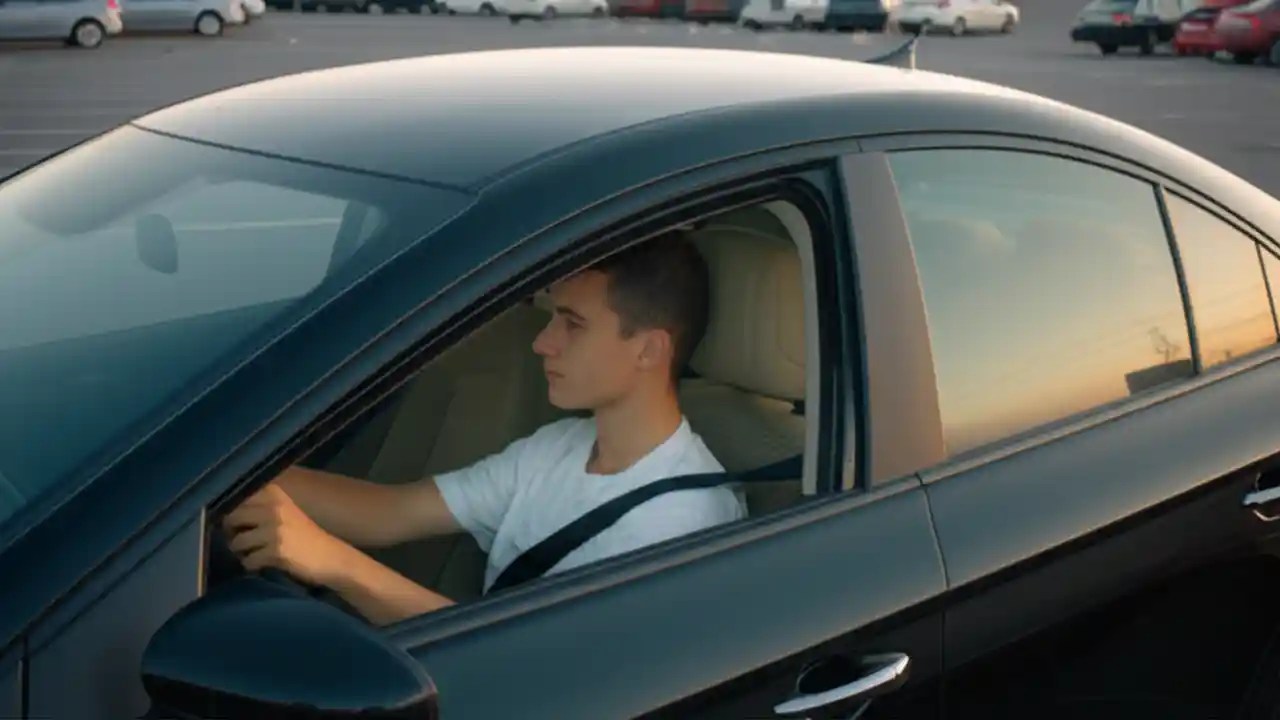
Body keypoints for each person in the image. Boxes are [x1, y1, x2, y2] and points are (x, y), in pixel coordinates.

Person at [221, 232, 746, 626]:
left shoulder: (682, 521)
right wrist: (232, 476)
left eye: (573, 324)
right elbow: (391, 512)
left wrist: (335, 563)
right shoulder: (559, 447)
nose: (542, 342)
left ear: (649, 350)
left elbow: (541, 671)